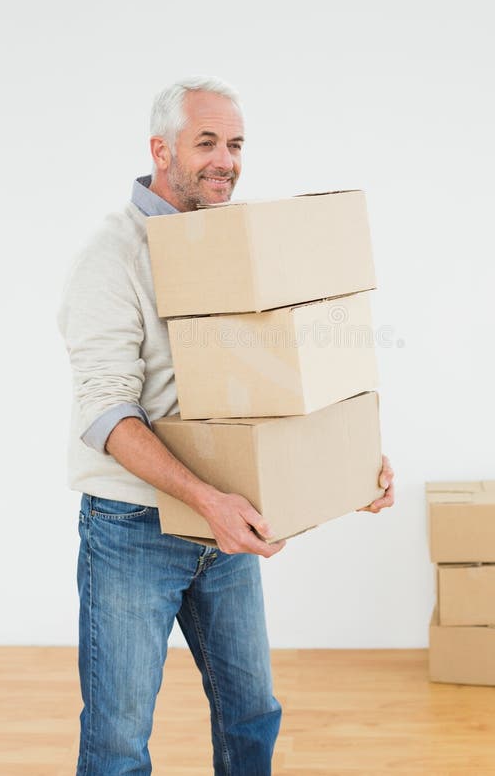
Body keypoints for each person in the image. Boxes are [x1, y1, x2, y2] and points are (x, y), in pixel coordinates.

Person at [57, 76, 396, 776]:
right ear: (160, 149)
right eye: (206, 142)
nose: (226, 161)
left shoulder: (234, 243)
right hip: (136, 529)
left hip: (226, 525)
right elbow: (105, 413)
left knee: (251, 715)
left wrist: (348, 463)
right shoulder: (112, 256)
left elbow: (269, 377)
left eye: (236, 144)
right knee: (118, 743)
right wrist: (207, 500)